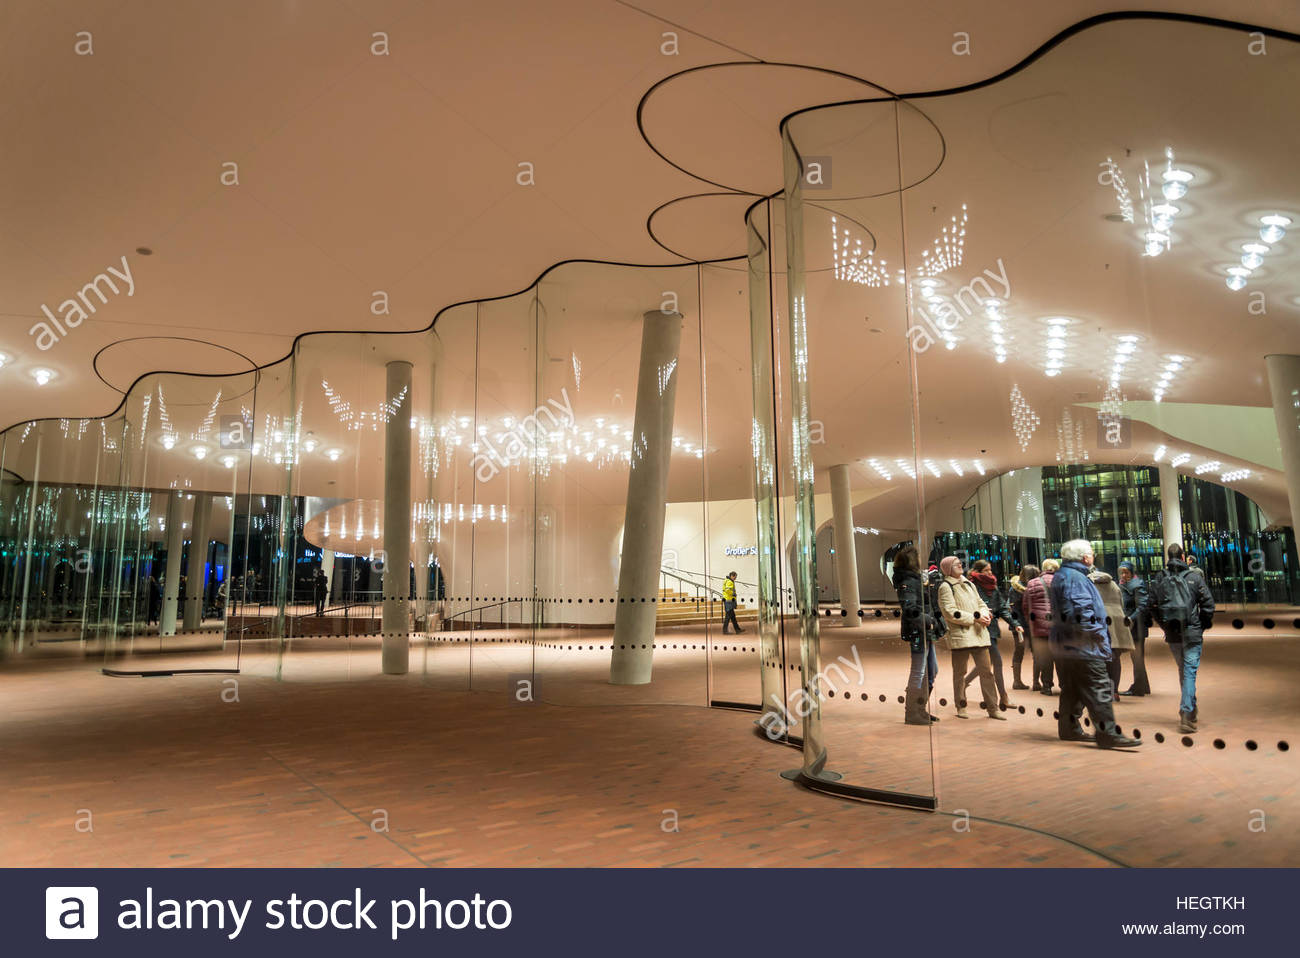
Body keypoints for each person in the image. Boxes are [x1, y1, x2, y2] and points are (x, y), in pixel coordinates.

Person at [1049, 539, 1141, 749]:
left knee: (1072, 688)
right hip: (1083, 645)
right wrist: (1099, 635)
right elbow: (1082, 611)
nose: (1093, 556)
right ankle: (1107, 733)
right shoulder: (1077, 577)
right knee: (1099, 687)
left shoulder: (1064, 575)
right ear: (1084, 557)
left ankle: (1069, 729)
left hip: (1067, 644)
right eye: (1091, 553)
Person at [1146, 543, 1215, 733]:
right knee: (1189, 672)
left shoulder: (1159, 578)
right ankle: (1186, 712)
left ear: (1167, 557)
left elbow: (1151, 605)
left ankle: (1190, 709)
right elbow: (1208, 604)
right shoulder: (1194, 577)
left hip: (1173, 633)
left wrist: (1164, 625)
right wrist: (1201, 625)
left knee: (1184, 670)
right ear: (1183, 557)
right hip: (1192, 632)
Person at [936, 555, 1004, 720]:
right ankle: (961, 706)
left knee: (987, 672)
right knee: (960, 673)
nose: (960, 565)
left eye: (960, 563)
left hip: (979, 633)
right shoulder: (946, 587)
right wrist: (975, 618)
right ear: (947, 568)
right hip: (962, 635)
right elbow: (950, 612)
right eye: (955, 564)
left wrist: (985, 614)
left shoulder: (969, 584)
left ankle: (993, 708)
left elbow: (981, 603)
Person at [892, 545, 940, 725]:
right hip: (919, 631)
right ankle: (912, 712)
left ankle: (919, 708)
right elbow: (910, 608)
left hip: (923, 630)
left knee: (930, 670)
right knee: (919, 672)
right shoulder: (909, 581)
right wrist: (928, 619)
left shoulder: (913, 579)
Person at [965, 559, 1021, 709]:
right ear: (978, 572)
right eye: (986, 571)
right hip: (979, 629)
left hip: (991, 630)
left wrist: (1015, 624)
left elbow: (1002, 608)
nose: (990, 573)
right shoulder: (972, 586)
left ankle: (963, 683)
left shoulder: (992, 586)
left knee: (985, 663)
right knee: (997, 662)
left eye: (990, 570)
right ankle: (1003, 697)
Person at [1088, 564, 1134, 702]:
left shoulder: (1090, 585)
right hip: (1117, 621)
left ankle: (1102, 691)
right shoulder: (1114, 584)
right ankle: (1114, 692)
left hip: (1099, 620)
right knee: (1115, 658)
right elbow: (1121, 603)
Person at [1024, 559, 1059, 693]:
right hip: (1059, 625)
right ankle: (1064, 685)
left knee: (1045, 658)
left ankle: (1047, 686)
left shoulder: (1032, 583)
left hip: (1040, 626)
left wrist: (1032, 621)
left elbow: (1026, 605)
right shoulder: (1062, 582)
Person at [1118, 562, 1150, 696]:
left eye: (1127, 572)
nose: (1124, 575)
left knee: (1137, 657)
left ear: (1132, 572)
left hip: (1137, 627)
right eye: (1122, 572)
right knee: (1137, 657)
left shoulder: (1137, 585)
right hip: (1132, 626)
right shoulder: (1122, 585)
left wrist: (1131, 618)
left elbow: (1142, 606)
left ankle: (1139, 687)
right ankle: (1143, 686)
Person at [1008, 571, 1030, 690]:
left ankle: (1018, 681)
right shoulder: (1017, 589)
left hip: (1019, 623)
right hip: (1021, 623)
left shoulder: (1015, 589)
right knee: (1021, 650)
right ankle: (1018, 681)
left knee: (1019, 650)